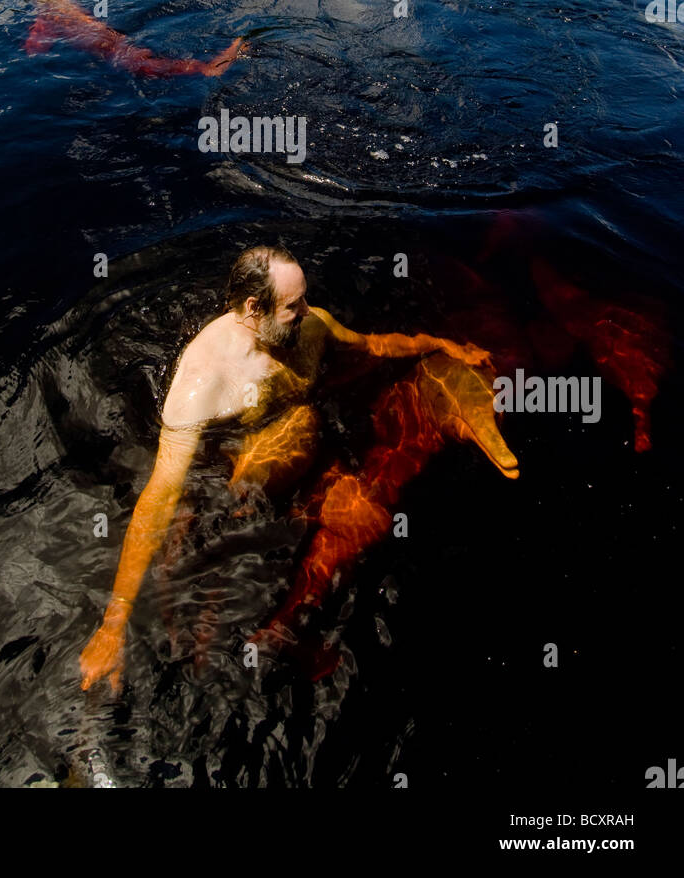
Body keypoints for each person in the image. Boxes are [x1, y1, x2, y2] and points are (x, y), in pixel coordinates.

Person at [79, 243, 490, 693]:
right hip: (230, 486)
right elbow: (158, 497)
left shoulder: (312, 326)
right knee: (198, 589)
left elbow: (371, 347)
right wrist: (113, 622)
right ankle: (211, 663)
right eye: (294, 305)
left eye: (305, 299)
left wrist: (441, 345)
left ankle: (285, 634)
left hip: (301, 461)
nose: (308, 311)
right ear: (254, 308)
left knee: (367, 519)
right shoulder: (204, 385)